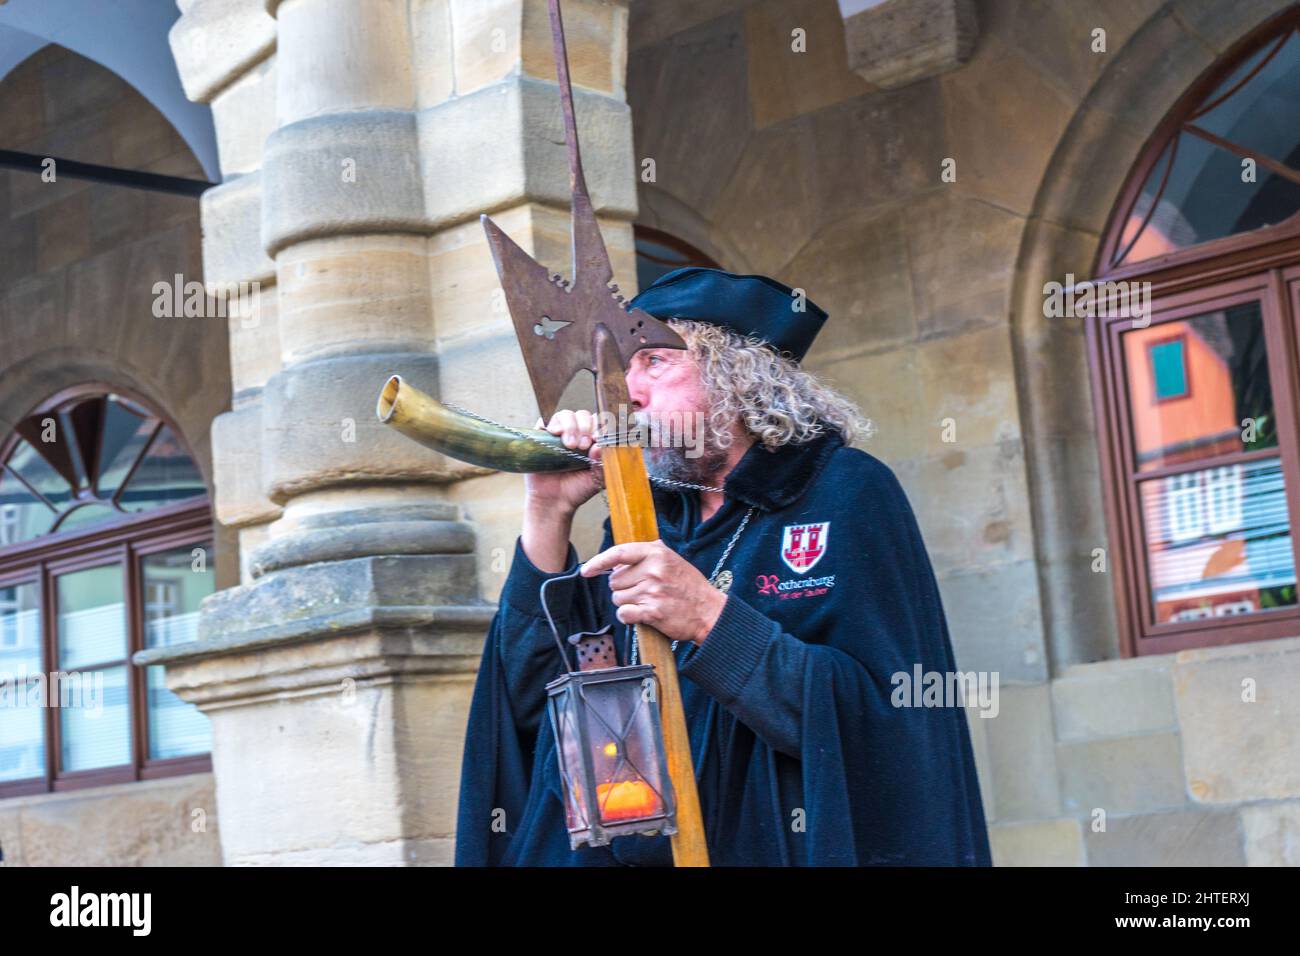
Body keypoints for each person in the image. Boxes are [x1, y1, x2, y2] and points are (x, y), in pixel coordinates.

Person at [455, 266, 993, 866]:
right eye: (623, 368)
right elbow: (540, 710)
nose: (628, 393)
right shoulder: (644, 519)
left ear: (738, 375)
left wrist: (710, 619)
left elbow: (890, 727)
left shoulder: (844, 492)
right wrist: (547, 512)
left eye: (653, 362)